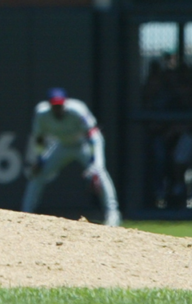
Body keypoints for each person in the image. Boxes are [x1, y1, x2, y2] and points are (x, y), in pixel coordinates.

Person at [21, 88, 121, 227]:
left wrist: (96, 163)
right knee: (37, 174)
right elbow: (39, 138)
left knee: (100, 173)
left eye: (60, 105)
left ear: (65, 103)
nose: (58, 108)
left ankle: (113, 215)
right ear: (49, 105)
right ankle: (25, 213)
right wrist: (39, 159)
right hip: (61, 146)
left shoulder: (77, 109)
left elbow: (93, 135)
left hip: (83, 145)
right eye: (55, 105)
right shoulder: (42, 113)